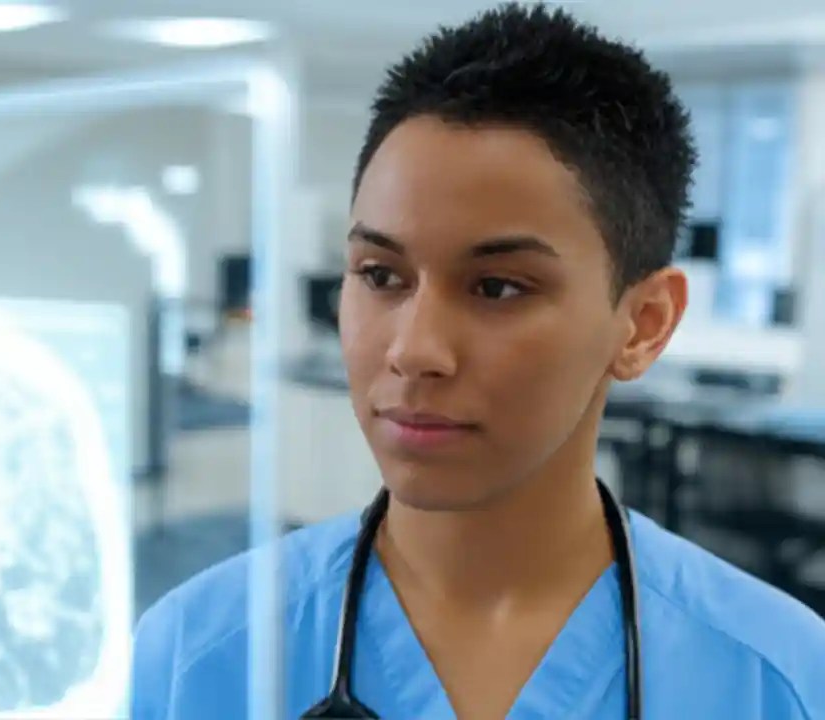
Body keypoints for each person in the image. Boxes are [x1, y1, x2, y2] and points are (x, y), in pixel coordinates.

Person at [130, 3, 825, 719]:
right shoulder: (199, 656)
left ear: (644, 325)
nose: (413, 350)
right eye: (380, 275)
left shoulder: (783, 680)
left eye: (498, 287)